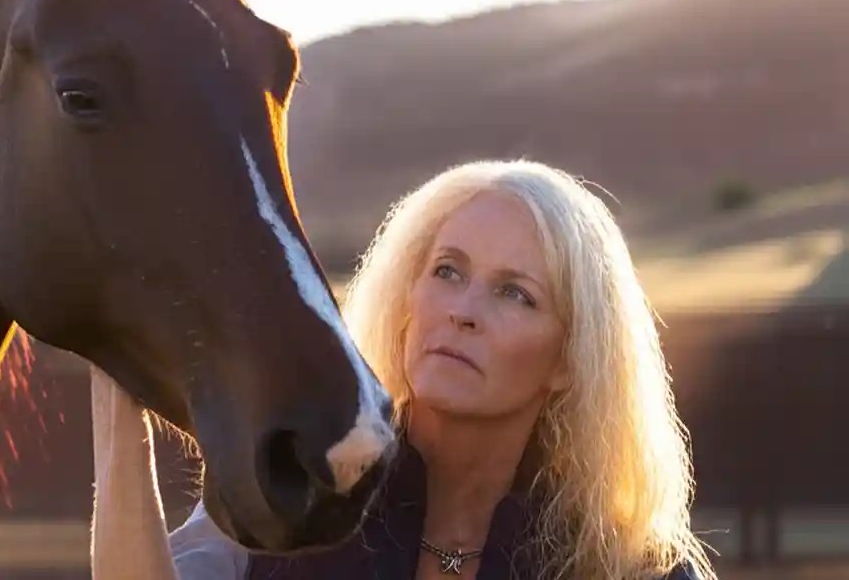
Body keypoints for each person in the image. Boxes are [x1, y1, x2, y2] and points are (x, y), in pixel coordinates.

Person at [90, 159, 719, 579]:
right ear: (408, 300)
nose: (462, 311)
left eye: (515, 294)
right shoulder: (299, 492)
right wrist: (116, 374)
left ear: (569, 361)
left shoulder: (633, 565)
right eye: (447, 271)